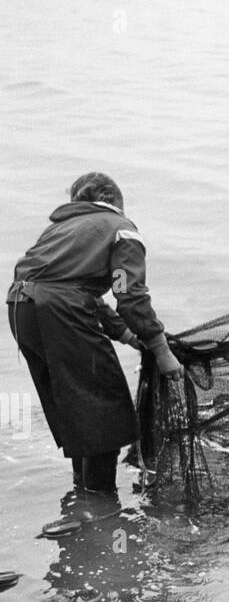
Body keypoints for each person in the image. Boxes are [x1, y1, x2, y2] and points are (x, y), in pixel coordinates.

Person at [7, 172, 182, 497]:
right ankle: (101, 504)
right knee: (105, 405)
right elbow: (127, 293)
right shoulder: (120, 228)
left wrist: (128, 335)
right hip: (58, 310)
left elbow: (80, 292)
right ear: (115, 200)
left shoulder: (60, 229)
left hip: (21, 308)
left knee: (75, 400)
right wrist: (162, 350)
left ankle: (81, 492)